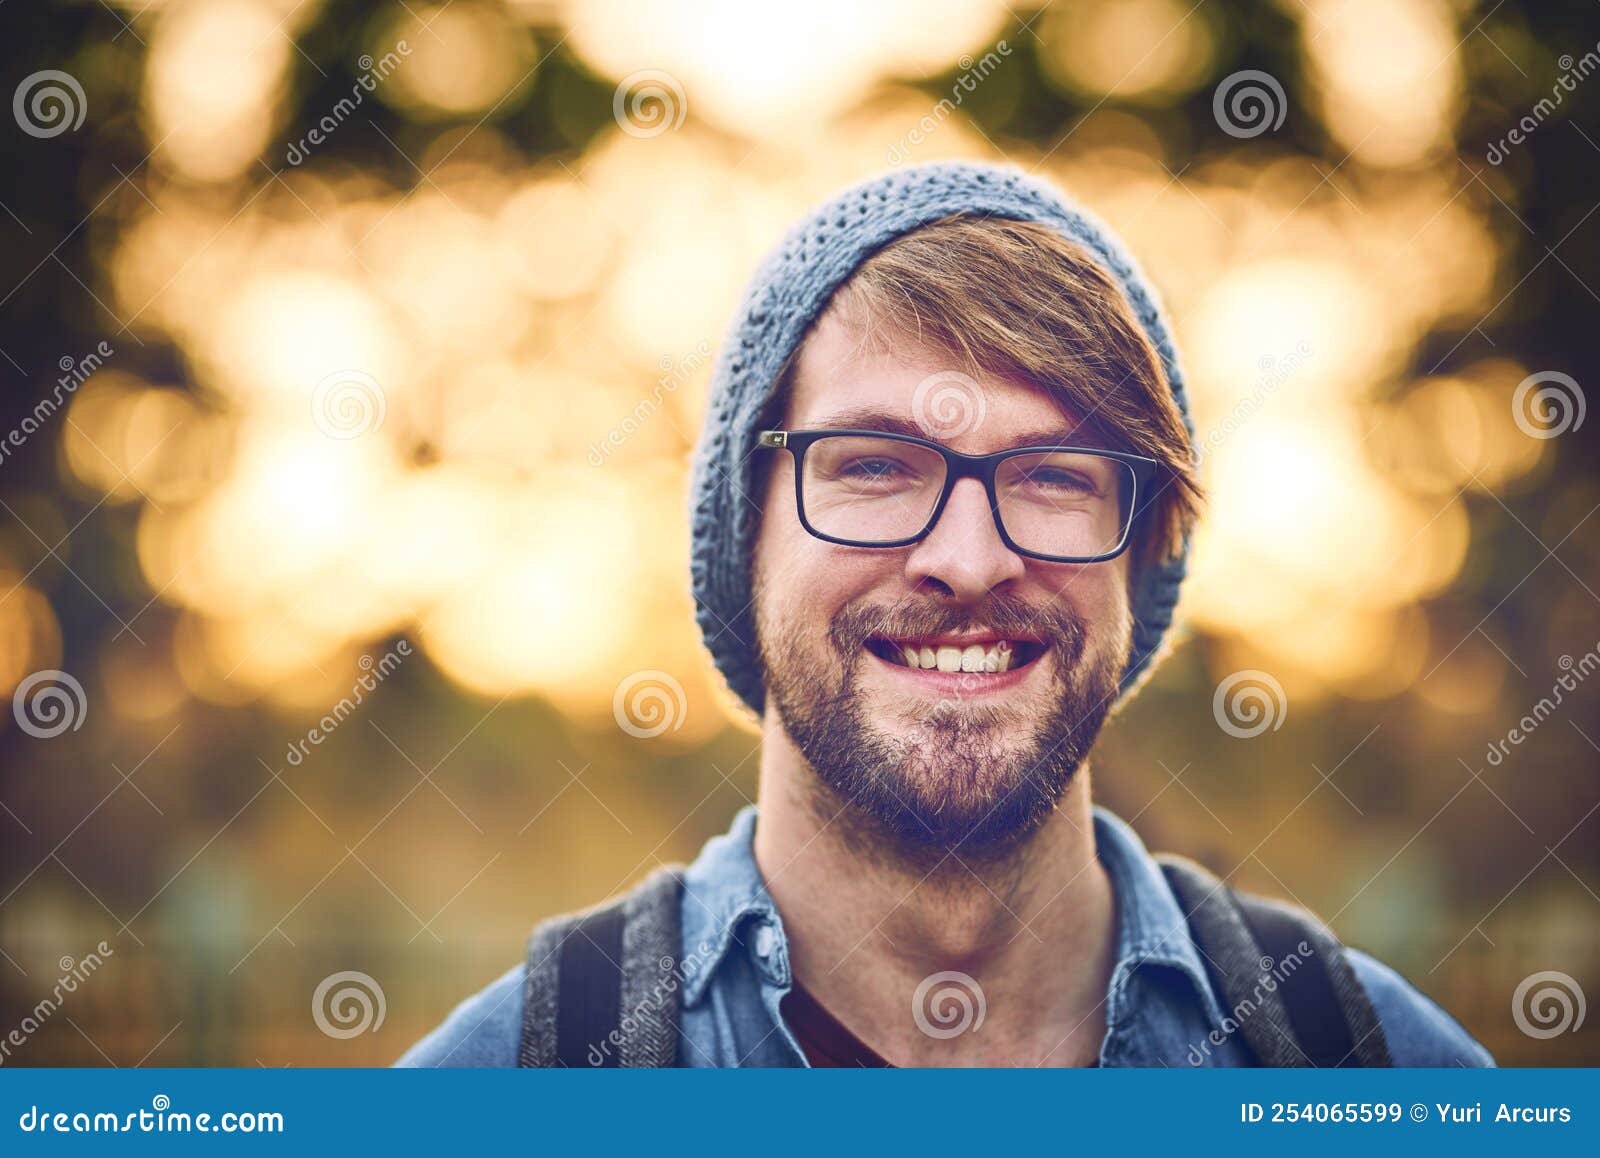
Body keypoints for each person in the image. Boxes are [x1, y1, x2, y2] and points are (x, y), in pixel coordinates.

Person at [397, 161, 1493, 1068]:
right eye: (873, 465)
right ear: (748, 536)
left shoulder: (1372, 1066)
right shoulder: (509, 1081)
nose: (968, 560)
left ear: (1144, 550)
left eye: (1054, 474)